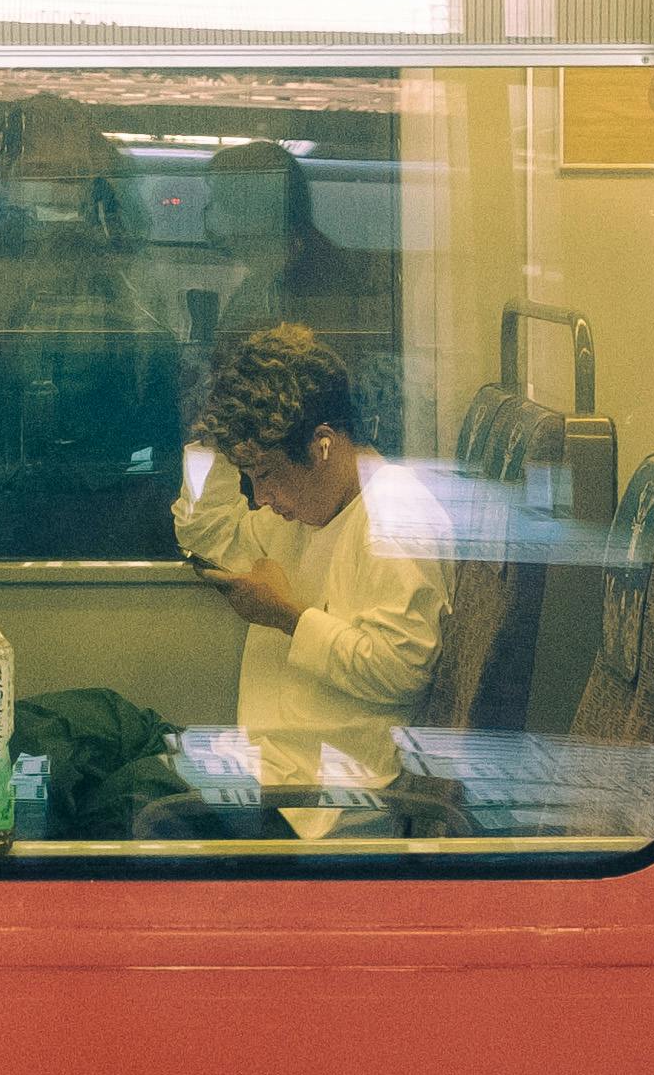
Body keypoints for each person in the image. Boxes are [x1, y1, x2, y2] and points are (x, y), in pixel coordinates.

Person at [169, 318, 461, 811]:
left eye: (266, 475)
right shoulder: (305, 512)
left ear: (321, 444)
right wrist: (216, 437)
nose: (261, 499)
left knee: (94, 786)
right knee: (89, 724)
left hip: (314, 797)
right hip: (262, 764)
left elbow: (401, 669)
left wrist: (288, 616)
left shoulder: (396, 513)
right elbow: (208, 532)